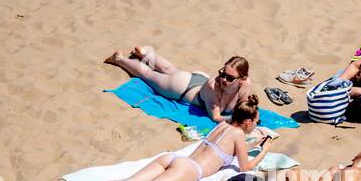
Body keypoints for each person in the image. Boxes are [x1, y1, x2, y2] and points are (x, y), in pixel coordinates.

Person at [65, 95, 276, 181]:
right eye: (256, 121)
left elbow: (225, 148)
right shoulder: (239, 134)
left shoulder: (224, 125)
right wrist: (263, 151)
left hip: (173, 158)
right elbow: (245, 166)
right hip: (190, 169)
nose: (256, 125)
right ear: (248, 122)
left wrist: (253, 143)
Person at [104, 46, 254, 122]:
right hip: (182, 88)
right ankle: (119, 59)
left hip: (195, 79)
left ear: (242, 79)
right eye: (222, 73)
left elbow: (244, 105)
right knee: (147, 74)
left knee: (170, 69)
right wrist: (236, 120)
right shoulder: (213, 86)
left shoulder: (245, 84)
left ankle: (144, 54)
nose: (223, 80)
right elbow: (215, 117)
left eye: (229, 78)